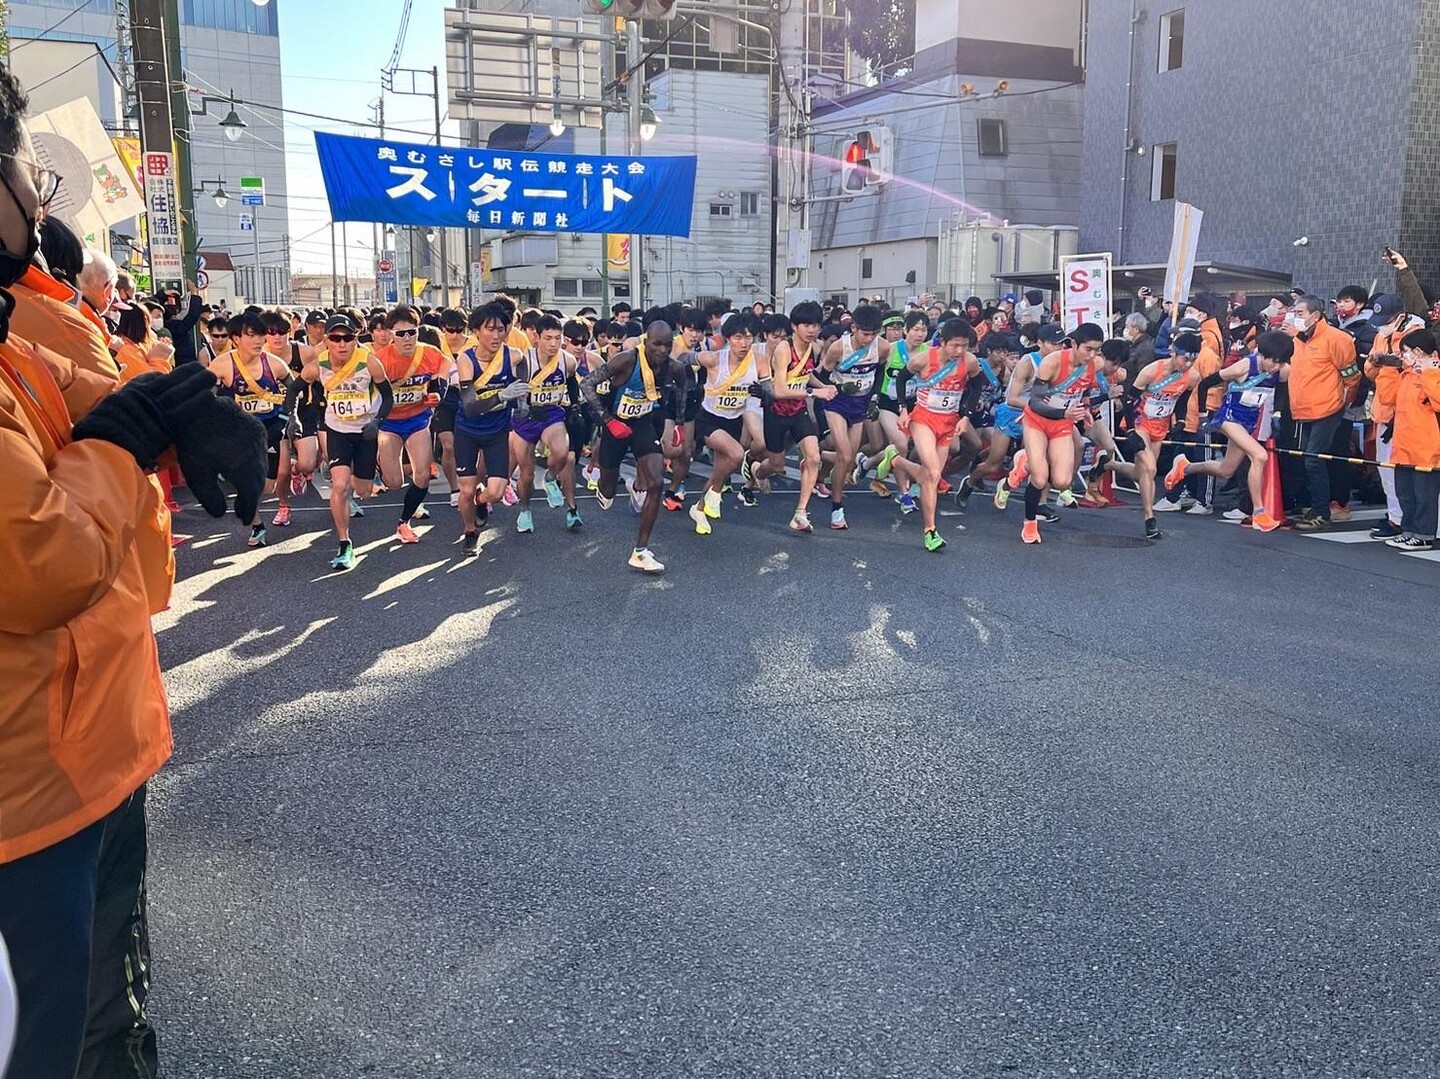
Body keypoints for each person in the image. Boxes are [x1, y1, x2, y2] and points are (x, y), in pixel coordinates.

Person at [0, 63, 270, 1079]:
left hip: (78, 740)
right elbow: (37, 559)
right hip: (25, 790)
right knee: (51, 1040)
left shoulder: (19, 318)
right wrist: (124, 438)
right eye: (28, 174)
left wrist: (176, 399)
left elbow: (91, 387)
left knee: (105, 1007)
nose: (37, 197)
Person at [580, 321, 692, 572]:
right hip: (616, 425)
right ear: (645, 341)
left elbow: (683, 391)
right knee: (608, 492)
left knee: (657, 483)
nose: (662, 350)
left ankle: (640, 551)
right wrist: (607, 419)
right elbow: (586, 384)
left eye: (667, 344)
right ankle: (608, 487)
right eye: (657, 344)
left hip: (643, 425)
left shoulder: (674, 367)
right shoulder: (626, 360)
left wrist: (680, 425)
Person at [289, 313, 393, 569]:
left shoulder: (370, 363)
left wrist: (377, 421)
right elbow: (294, 389)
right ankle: (345, 543)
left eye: (348, 338)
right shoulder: (318, 364)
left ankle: (354, 471)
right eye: (335, 338)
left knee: (364, 491)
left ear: (355, 338)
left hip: (365, 431)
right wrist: (292, 417)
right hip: (336, 430)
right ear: (327, 340)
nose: (342, 343)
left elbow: (389, 397)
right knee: (340, 487)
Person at [1163, 330, 1293, 532]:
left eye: (1280, 362)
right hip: (1229, 418)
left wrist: (1277, 414)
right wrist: (1203, 413)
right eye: (1272, 362)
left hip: (1249, 421)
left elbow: (1283, 392)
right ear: (1261, 355)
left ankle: (1185, 467)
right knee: (1259, 456)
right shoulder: (1243, 367)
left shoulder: (1283, 370)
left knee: (1226, 470)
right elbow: (1206, 383)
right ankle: (1259, 513)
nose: (1275, 367)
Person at [888, 318, 980, 550]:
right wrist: (902, 409)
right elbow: (901, 378)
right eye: (954, 346)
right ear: (943, 343)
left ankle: (895, 459)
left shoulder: (969, 361)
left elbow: (977, 385)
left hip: (948, 422)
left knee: (932, 477)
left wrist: (966, 416)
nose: (959, 351)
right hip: (923, 419)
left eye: (964, 346)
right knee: (932, 471)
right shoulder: (923, 359)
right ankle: (930, 530)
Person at [1011, 321, 1105, 544]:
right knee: (1041, 477)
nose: (1092, 355)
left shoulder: (1091, 365)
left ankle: (1025, 463)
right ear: (1073, 344)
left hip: (1061, 424)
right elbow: (1034, 402)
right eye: (1088, 349)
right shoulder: (1051, 363)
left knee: (1063, 482)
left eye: (1096, 350)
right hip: (1037, 421)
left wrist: (1087, 410)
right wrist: (1066, 413)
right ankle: (1030, 523)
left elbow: (1083, 393)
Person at [209, 310, 294, 546]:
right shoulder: (222, 364)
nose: (259, 341)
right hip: (241, 431)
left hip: (272, 426)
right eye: (251, 336)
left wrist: (291, 416)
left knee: (268, 487)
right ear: (236, 339)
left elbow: (293, 387)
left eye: (260, 335)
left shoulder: (273, 363)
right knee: (248, 483)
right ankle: (257, 526)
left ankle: (285, 479)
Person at [751, 300, 834, 533]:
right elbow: (778, 391)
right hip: (776, 412)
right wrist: (816, 392)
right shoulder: (783, 349)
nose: (812, 330)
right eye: (806, 325)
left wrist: (826, 385)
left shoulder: (814, 348)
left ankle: (800, 513)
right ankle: (757, 469)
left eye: (815, 325)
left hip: (798, 411)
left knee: (814, 457)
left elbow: (806, 375)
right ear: (794, 326)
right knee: (776, 465)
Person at [453, 302, 528, 556]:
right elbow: (471, 406)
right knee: (465, 488)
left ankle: (480, 501)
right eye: (490, 329)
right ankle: (470, 532)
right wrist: (502, 396)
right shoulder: (467, 359)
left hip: (497, 433)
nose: (496, 335)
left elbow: (524, 375)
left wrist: (522, 398)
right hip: (468, 431)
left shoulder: (514, 355)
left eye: (501, 329)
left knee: (494, 493)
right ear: (476, 331)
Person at [1285, 294, 1360, 531]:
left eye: (1299, 314)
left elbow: (1352, 377)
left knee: (1313, 460)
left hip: (1328, 408)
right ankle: (1317, 507)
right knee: (1308, 459)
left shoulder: (1337, 339)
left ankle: (1322, 512)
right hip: (1302, 408)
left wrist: (1343, 402)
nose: (1294, 318)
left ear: (1315, 316)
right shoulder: (1296, 340)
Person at [375, 305, 447, 543]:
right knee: (394, 482)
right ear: (390, 335)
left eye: (412, 332)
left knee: (423, 475)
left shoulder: (429, 353)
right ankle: (377, 466)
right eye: (400, 334)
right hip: (390, 423)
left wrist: (438, 390)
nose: (407, 339)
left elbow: (446, 368)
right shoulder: (380, 360)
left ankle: (403, 522)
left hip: (418, 419)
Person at [817, 303, 892, 529]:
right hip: (837, 402)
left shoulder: (883, 347)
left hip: (860, 403)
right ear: (854, 328)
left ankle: (819, 471)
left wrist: (874, 398)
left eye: (873, 334)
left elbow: (880, 371)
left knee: (848, 459)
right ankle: (837, 508)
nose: (869, 339)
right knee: (846, 454)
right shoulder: (839, 348)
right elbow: (822, 376)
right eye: (865, 333)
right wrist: (837, 389)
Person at [508, 313, 583, 533]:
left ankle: (551, 479)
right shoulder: (523, 360)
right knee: (526, 473)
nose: (553, 343)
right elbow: (513, 387)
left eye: (558, 338)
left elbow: (571, 383)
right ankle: (525, 510)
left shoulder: (568, 360)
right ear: (536, 337)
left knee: (561, 452)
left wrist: (575, 406)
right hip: (525, 417)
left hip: (552, 413)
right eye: (548, 338)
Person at [688, 312, 759, 536]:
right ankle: (714, 496)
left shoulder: (759, 360)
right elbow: (683, 358)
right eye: (738, 337)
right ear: (728, 338)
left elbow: (768, 387)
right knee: (737, 455)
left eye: (749, 338)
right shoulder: (714, 359)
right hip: (709, 419)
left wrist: (763, 392)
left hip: (734, 419)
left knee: (719, 472)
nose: (744, 343)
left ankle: (699, 507)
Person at [1129, 321, 1202, 539]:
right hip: (1141, 421)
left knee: (1139, 472)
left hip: (1160, 426)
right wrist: (1132, 431)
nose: (1188, 363)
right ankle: (1149, 518)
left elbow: (1183, 398)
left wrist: (1179, 420)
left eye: (1193, 359)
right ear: (1173, 353)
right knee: (1150, 469)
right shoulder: (1152, 371)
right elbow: (1130, 398)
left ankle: (1106, 464)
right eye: (1184, 358)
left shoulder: (1192, 376)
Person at [1371, 328, 1440, 551]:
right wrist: (1388, 369)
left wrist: (1428, 373)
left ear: (1419, 351)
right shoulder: (1407, 374)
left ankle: (1424, 534)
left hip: (1426, 447)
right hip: (1404, 444)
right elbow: (1388, 398)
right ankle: (1408, 529)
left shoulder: (1434, 371)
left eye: (1406, 352)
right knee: (1406, 493)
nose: (1403, 356)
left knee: (1424, 496)